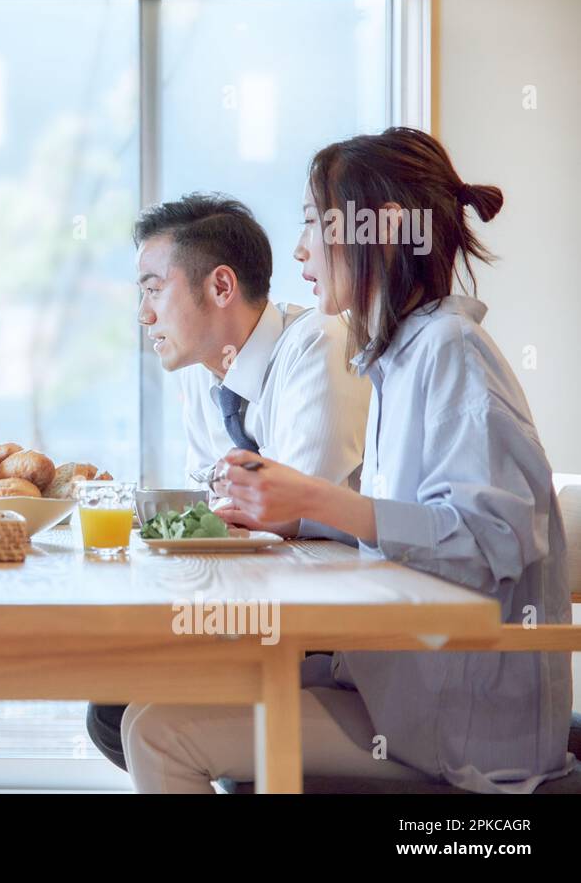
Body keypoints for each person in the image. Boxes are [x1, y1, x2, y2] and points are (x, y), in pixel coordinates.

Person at [123, 128, 572, 793]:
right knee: (139, 715)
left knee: (160, 732)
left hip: (460, 731)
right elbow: (409, 526)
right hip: (397, 689)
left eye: (314, 222)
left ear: (384, 228)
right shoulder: (396, 357)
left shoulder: (452, 349)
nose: (300, 248)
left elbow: (492, 538)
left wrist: (310, 501)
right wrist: (296, 516)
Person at [88, 195, 371, 770]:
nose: (144, 315)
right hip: (261, 604)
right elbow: (221, 506)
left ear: (220, 287)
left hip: (335, 628)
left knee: (122, 712)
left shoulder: (318, 342)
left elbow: (286, 513)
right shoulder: (204, 372)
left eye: (152, 289)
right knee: (108, 709)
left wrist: (229, 508)